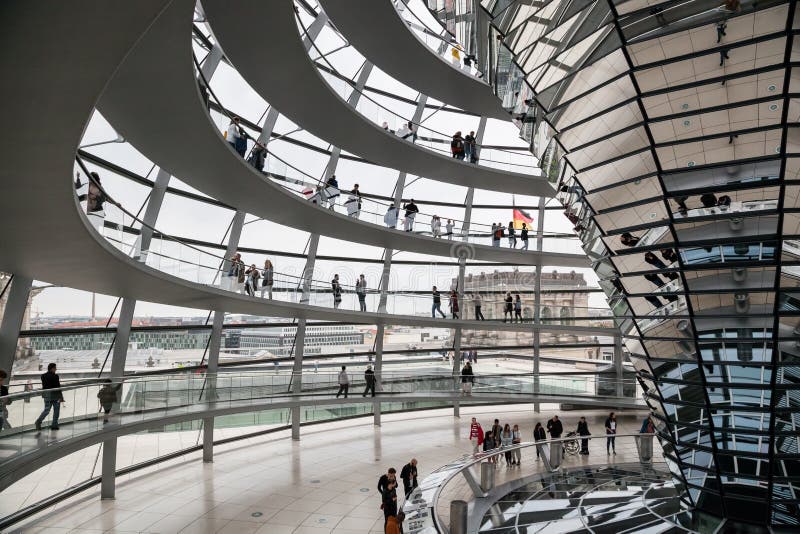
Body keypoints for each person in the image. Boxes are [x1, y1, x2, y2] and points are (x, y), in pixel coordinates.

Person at [35, 363, 64, 431]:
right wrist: (61, 397)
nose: (56, 369)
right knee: (56, 411)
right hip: (56, 396)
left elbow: (45, 386)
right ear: (52, 368)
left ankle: (38, 421)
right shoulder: (55, 376)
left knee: (46, 410)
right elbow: (58, 387)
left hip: (47, 396)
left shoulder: (43, 376)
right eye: (55, 368)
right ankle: (54, 425)